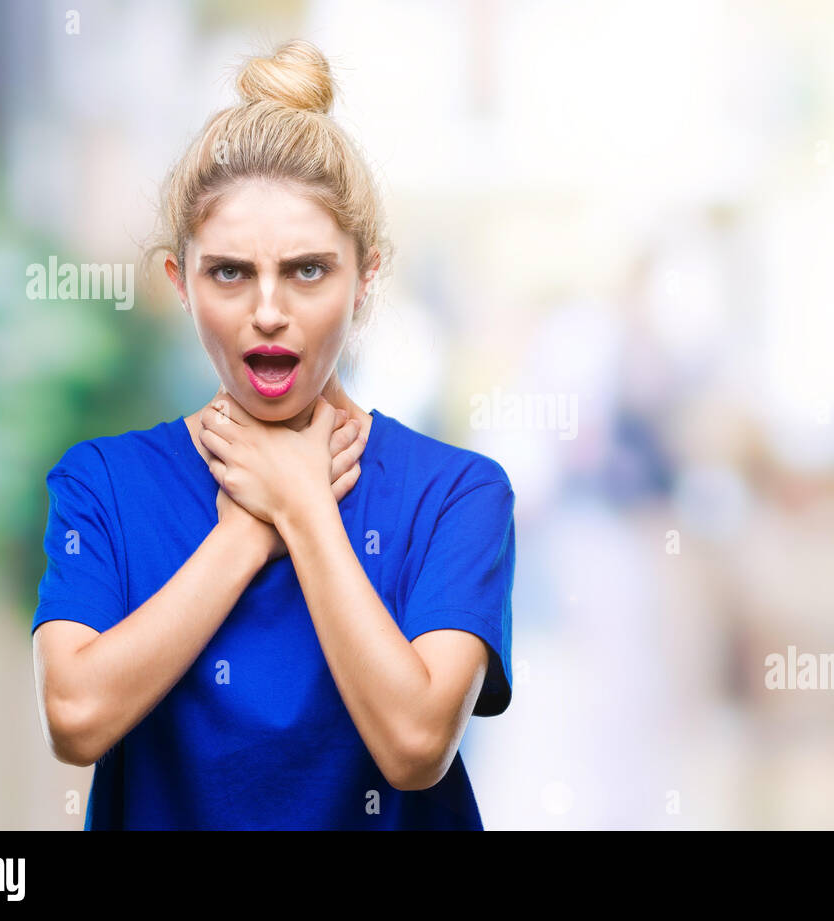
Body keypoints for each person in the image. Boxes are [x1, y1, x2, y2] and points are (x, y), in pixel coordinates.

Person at [30, 40, 515, 830]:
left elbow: (417, 741)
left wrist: (304, 508)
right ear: (179, 283)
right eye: (228, 272)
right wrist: (245, 534)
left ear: (366, 279)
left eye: (308, 270)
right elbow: (75, 716)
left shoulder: (457, 493)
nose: (267, 309)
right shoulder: (103, 485)